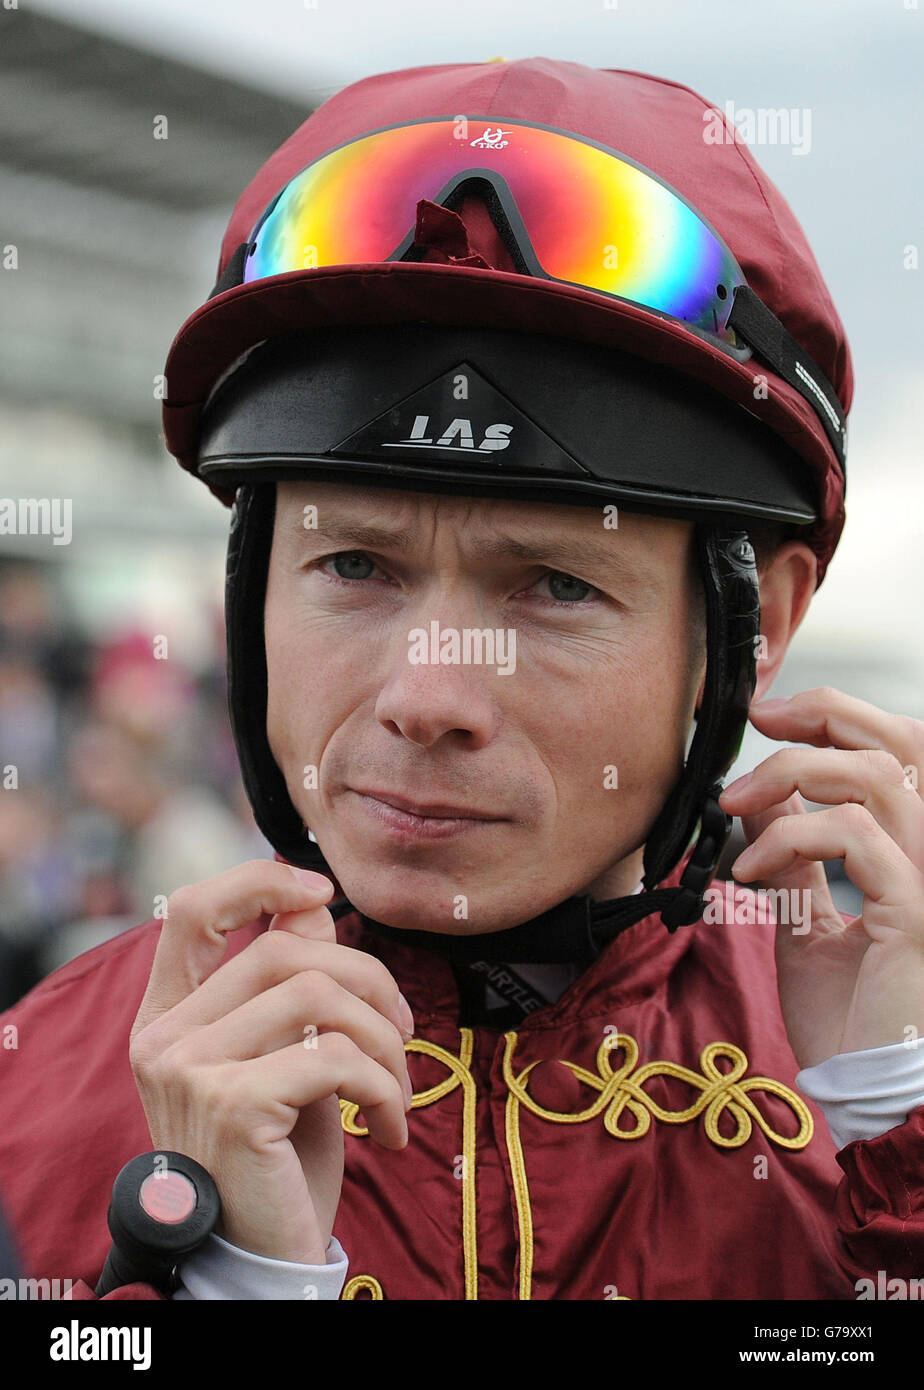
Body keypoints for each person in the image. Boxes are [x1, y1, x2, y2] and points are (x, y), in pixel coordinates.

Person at [0, 56, 922, 1302]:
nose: (426, 697)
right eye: (356, 564)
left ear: (763, 622)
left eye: (554, 585)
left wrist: (900, 1138)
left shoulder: (891, 1081)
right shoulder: (24, 1098)